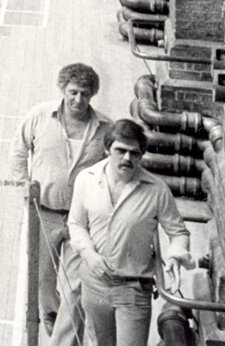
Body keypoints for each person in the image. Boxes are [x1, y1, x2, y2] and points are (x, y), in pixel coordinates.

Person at [66, 118, 190, 346]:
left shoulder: (157, 191)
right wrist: (89, 255)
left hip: (133, 288)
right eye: (120, 150)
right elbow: (76, 224)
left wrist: (176, 255)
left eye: (134, 153)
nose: (127, 158)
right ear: (107, 149)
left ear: (141, 155)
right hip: (94, 284)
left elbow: (178, 232)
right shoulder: (86, 180)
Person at [11, 63, 109, 335]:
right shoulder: (40, 116)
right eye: (73, 92)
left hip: (82, 219)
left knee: (77, 282)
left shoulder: (105, 128)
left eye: (85, 94)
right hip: (45, 212)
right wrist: (24, 185)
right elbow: (19, 150)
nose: (78, 100)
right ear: (63, 89)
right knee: (43, 276)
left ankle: (65, 334)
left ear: (92, 94)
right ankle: (51, 314)